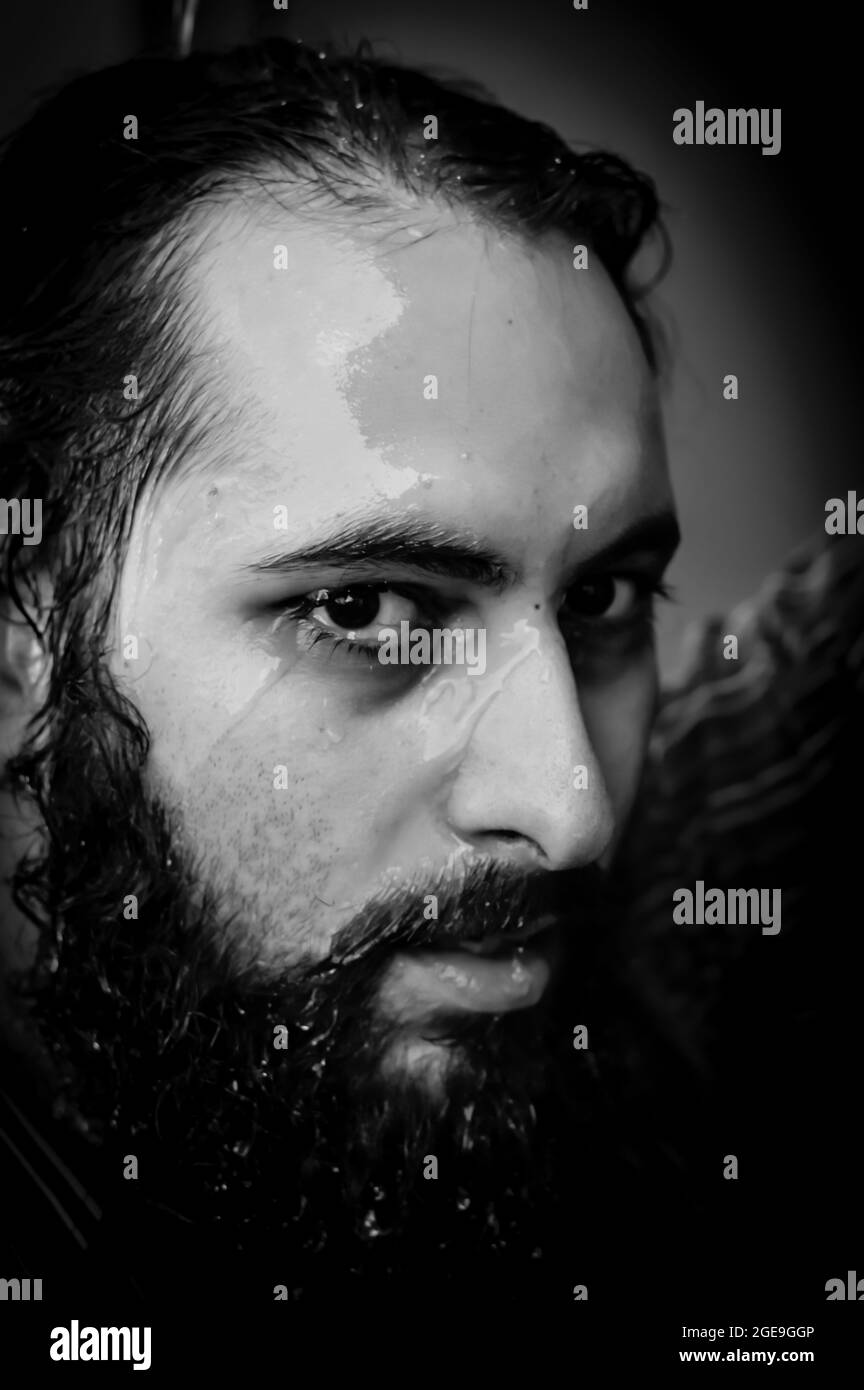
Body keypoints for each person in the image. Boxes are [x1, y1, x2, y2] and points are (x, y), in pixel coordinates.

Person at [0, 38, 858, 1317]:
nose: (571, 811)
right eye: (368, 610)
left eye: (602, 598)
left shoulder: (615, 995)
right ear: (24, 633)